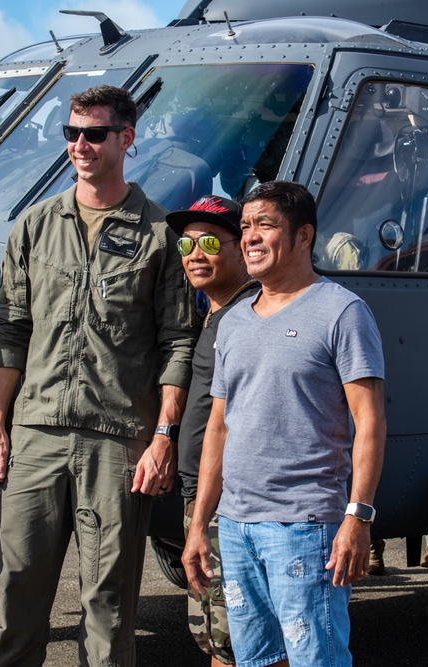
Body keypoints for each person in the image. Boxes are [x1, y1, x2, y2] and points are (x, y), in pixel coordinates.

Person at [0, 84, 198, 667]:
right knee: (15, 592)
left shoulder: (159, 235)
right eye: (72, 133)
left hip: (117, 438)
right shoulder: (34, 225)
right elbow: (11, 330)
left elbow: (179, 341)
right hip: (38, 431)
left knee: (107, 604)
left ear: (126, 138)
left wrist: (163, 437)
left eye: (94, 134)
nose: (80, 144)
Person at [182, 181, 386, 666]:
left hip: (305, 525)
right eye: (246, 226)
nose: (250, 237)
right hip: (234, 526)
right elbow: (219, 429)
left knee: (317, 659)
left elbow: (370, 421)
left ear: (304, 236)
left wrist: (357, 517)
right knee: (252, 661)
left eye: (266, 225)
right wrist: (199, 525)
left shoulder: (342, 312)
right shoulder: (233, 322)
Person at [167, 195, 258, 667]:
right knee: (211, 631)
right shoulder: (215, 312)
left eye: (208, 242)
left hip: (229, 499)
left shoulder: (249, 315)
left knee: (236, 632)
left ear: (242, 247)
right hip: (200, 493)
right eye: (185, 243)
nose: (194, 254)